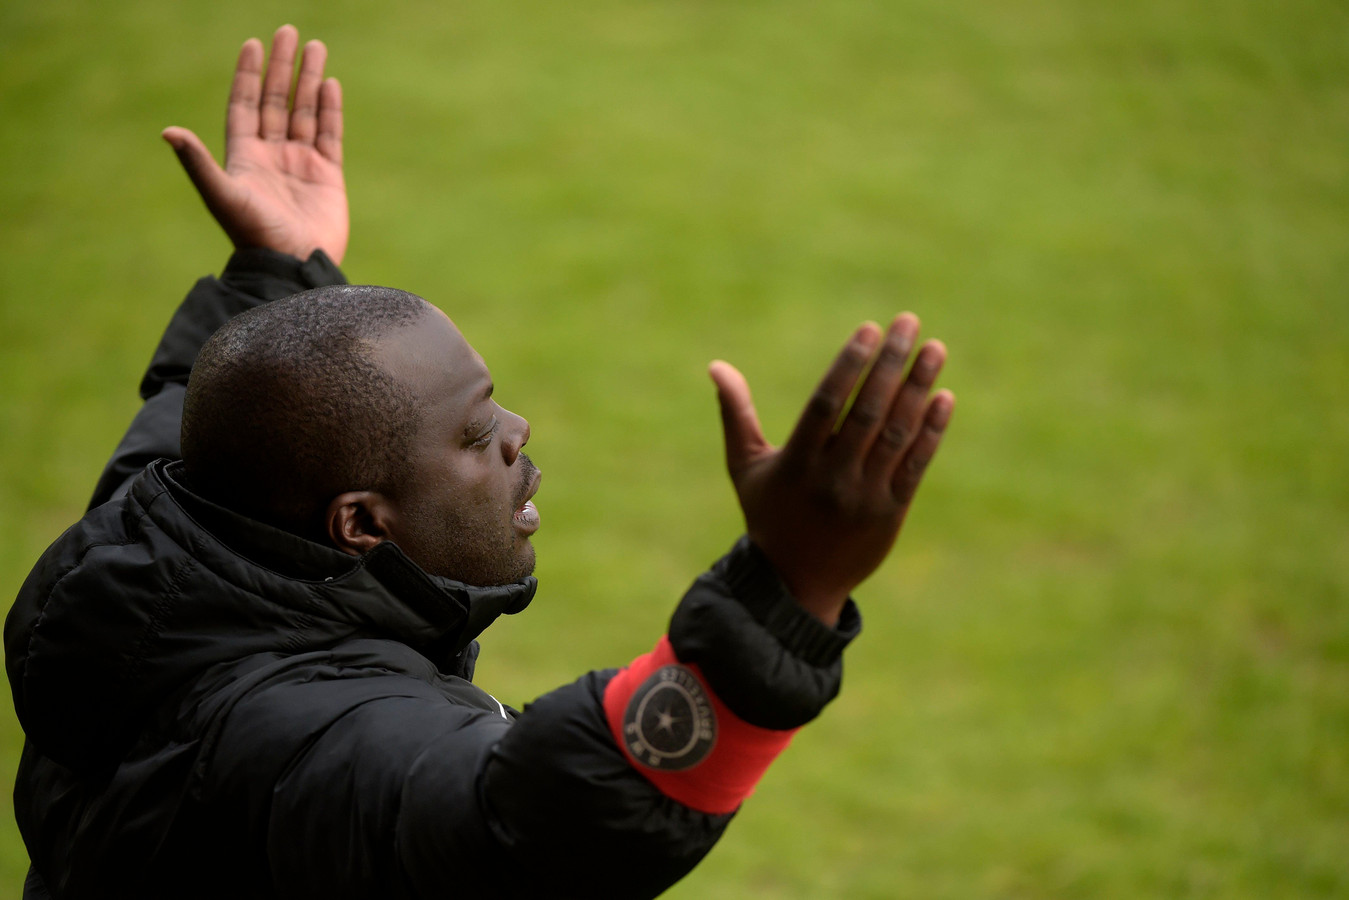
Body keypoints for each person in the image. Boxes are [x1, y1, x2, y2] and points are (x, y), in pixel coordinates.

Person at [5, 25, 955, 900]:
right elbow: (534, 823)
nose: (518, 431)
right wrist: (788, 594)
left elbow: (194, 419)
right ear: (359, 523)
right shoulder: (306, 743)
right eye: (472, 433)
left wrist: (281, 272)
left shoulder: (153, 555)